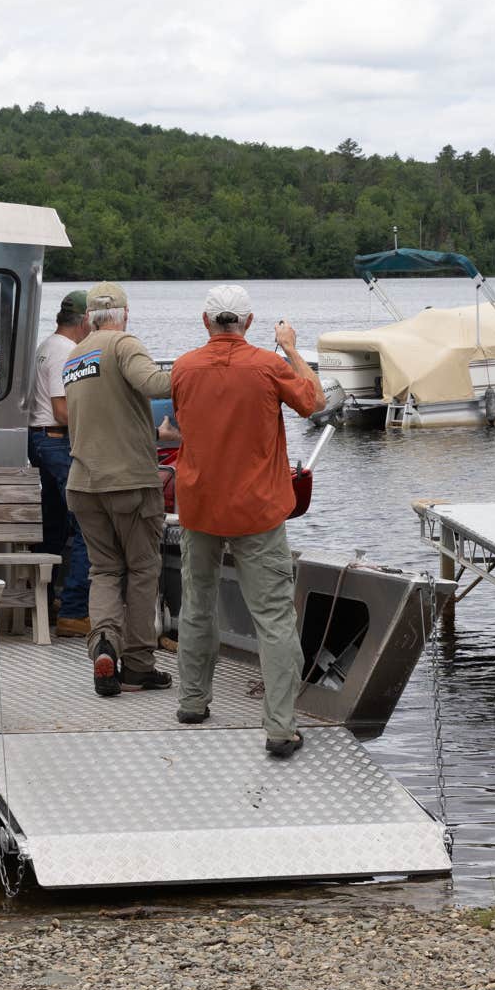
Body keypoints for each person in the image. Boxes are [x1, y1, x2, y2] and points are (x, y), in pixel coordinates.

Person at [170, 284, 324, 757]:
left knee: (196, 605)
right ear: (250, 323)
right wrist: (293, 347)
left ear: (205, 321)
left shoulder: (182, 368)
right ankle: (280, 729)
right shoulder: (267, 365)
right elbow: (313, 402)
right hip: (257, 511)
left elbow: (182, 419)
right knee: (274, 619)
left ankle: (193, 703)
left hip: (198, 507)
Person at [62, 281, 173, 697]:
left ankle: (104, 644)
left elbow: (104, 418)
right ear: (124, 314)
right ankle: (140, 665)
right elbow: (156, 385)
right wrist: (198, 368)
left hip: (84, 484)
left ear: (89, 318)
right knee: (143, 571)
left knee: (105, 570)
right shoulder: (124, 344)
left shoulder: (76, 355)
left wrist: (152, 434)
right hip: (129, 483)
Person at [28, 290, 90, 635]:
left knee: (52, 525)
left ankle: (47, 598)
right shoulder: (67, 351)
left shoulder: (44, 346)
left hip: (38, 439)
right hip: (55, 439)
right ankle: (74, 611)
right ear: (83, 321)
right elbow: (61, 409)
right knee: (87, 523)